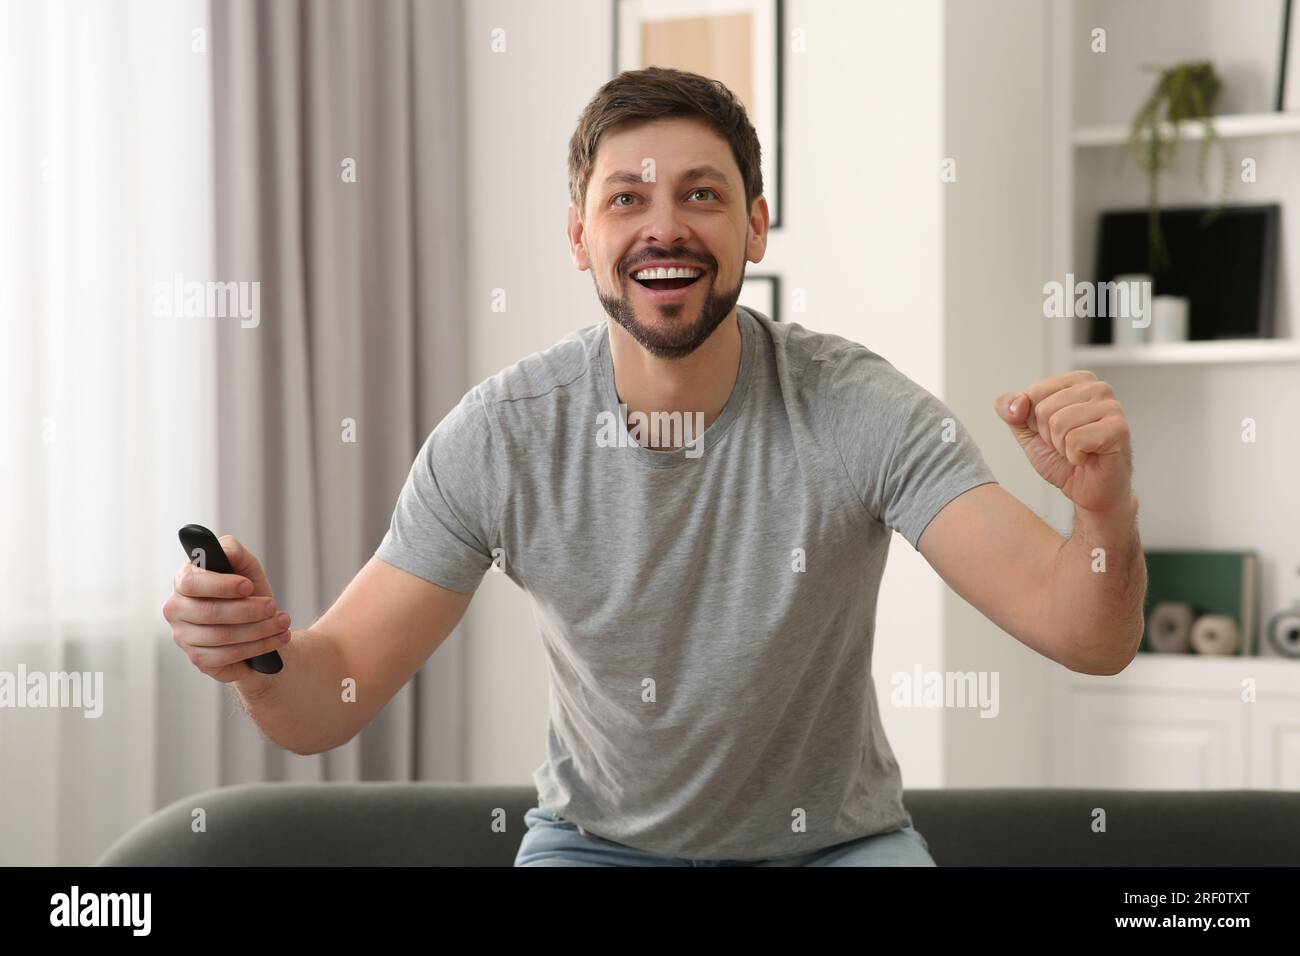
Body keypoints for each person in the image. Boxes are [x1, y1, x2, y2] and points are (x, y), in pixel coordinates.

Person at [163, 67, 1146, 867]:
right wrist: (254, 652)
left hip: (840, 847)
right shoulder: (502, 435)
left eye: (701, 195)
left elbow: (1082, 630)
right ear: (580, 235)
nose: (662, 227)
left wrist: (1103, 515)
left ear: (754, 227)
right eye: (625, 198)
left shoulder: (856, 406)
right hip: (594, 848)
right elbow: (327, 699)